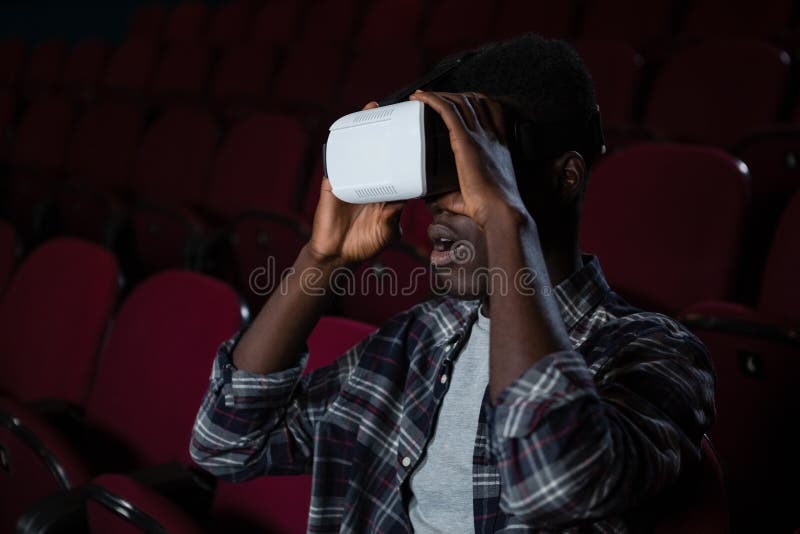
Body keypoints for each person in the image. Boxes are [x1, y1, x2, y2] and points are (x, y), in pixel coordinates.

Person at [190, 34, 715, 532]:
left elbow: (552, 485)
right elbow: (226, 443)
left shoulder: (653, 352)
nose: (437, 205)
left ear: (564, 177)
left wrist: (505, 219)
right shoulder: (418, 339)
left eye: (474, 171)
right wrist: (322, 259)